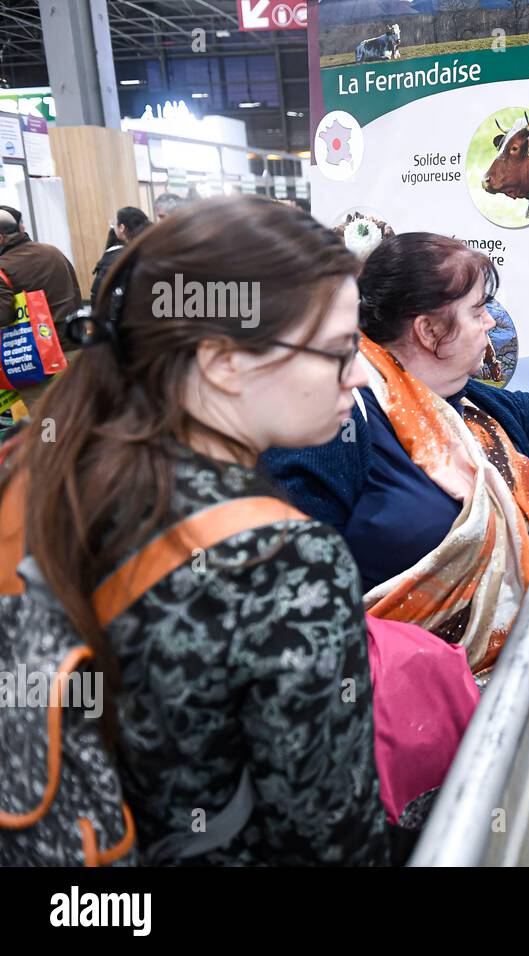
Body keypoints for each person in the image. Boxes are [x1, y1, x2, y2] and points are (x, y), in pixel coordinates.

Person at [0, 196, 392, 865]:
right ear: (222, 362)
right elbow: (329, 841)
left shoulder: (39, 464)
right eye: (338, 349)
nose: (360, 374)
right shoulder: (287, 561)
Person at [262, 233, 529, 674]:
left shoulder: (462, 402)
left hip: (496, 684)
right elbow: (293, 597)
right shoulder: (339, 420)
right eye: (477, 311)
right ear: (429, 331)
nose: (490, 323)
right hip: (395, 696)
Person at [0, 204, 81, 335]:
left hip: (37, 349)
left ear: (0, 238)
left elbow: (3, 316)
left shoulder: (3, 267)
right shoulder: (53, 251)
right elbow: (75, 291)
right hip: (73, 340)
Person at [90, 207, 151, 306]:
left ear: (121, 227)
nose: (113, 227)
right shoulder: (152, 247)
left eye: (114, 224)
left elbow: (98, 295)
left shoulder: (114, 258)